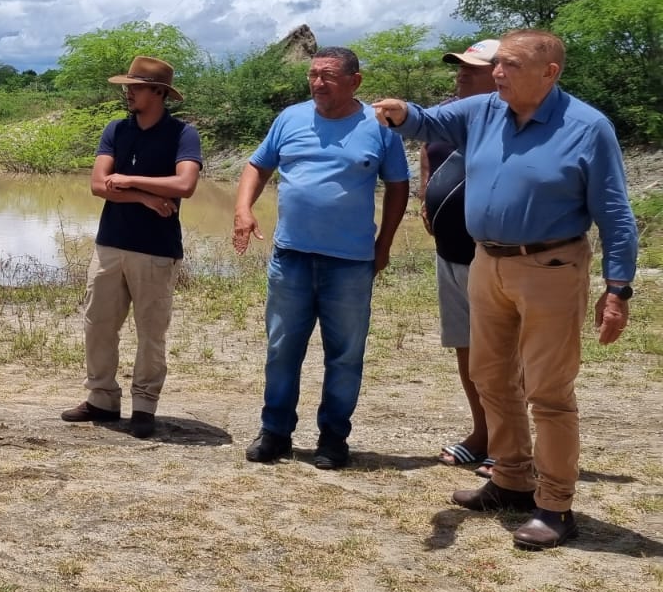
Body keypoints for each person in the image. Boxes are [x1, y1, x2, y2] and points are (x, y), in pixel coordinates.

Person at [373, 30, 637, 550]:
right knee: (490, 375)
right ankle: (512, 479)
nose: (498, 73)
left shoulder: (587, 127)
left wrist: (618, 289)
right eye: (498, 65)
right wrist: (404, 112)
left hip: (551, 267)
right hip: (485, 262)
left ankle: (556, 505)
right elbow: (430, 121)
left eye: (511, 65)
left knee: (549, 391)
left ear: (549, 72)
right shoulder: (484, 110)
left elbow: (616, 214)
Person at [233, 48, 409, 470]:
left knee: (345, 355)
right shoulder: (290, 119)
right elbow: (257, 166)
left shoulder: (379, 126)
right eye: (313, 75)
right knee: (281, 349)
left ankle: (333, 438)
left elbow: (399, 186)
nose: (317, 83)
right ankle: (275, 432)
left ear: (355, 81)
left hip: (349, 263)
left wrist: (383, 244)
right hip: (290, 257)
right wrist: (243, 209)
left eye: (328, 75)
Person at [61, 56, 203, 438]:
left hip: (156, 250)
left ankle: (144, 406)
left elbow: (184, 186)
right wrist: (142, 196)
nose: (128, 93)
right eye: (127, 86)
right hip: (110, 244)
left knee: (151, 332)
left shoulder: (182, 134)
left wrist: (128, 179)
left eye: (135, 87)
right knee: (98, 325)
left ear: (158, 93)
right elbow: (98, 185)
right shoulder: (115, 130)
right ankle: (102, 400)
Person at [422, 38, 499, 470]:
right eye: (460, 67)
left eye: (472, 69)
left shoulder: (512, 120)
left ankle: (510, 443)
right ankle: (482, 432)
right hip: (449, 252)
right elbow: (428, 154)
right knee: (466, 347)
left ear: (501, 74)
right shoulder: (445, 115)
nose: (461, 74)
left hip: (494, 257)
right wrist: (426, 190)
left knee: (503, 353)